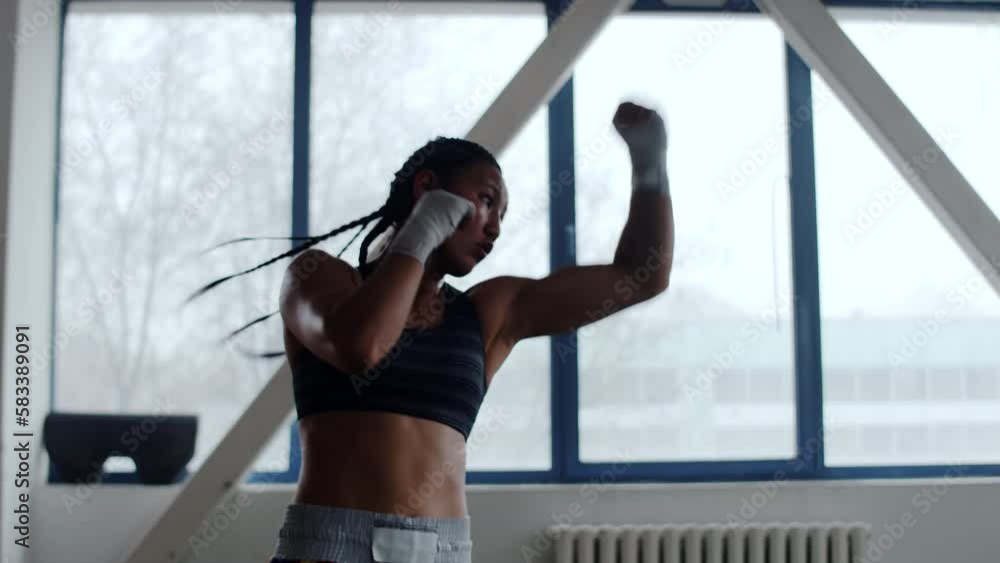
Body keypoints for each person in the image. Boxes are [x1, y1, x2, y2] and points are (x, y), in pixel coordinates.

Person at [190, 101, 674, 563]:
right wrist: (423, 230)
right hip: (327, 551)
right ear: (427, 188)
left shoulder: (490, 312)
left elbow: (643, 276)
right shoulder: (319, 277)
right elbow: (362, 347)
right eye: (487, 202)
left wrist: (650, 163)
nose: (494, 228)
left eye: (502, 216)